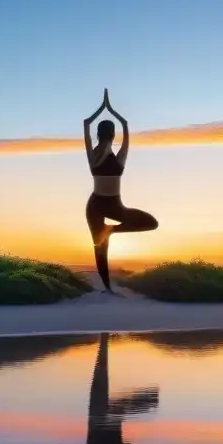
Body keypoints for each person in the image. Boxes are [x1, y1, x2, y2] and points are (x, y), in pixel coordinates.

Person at [83, 89, 158, 292]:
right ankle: (107, 289)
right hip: (96, 205)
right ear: (111, 134)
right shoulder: (95, 156)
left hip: (115, 205)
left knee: (151, 223)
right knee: (100, 249)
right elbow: (89, 125)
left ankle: (111, 231)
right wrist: (108, 110)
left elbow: (90, 124)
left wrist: (105, 109)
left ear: (100, 133)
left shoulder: (118, 157)